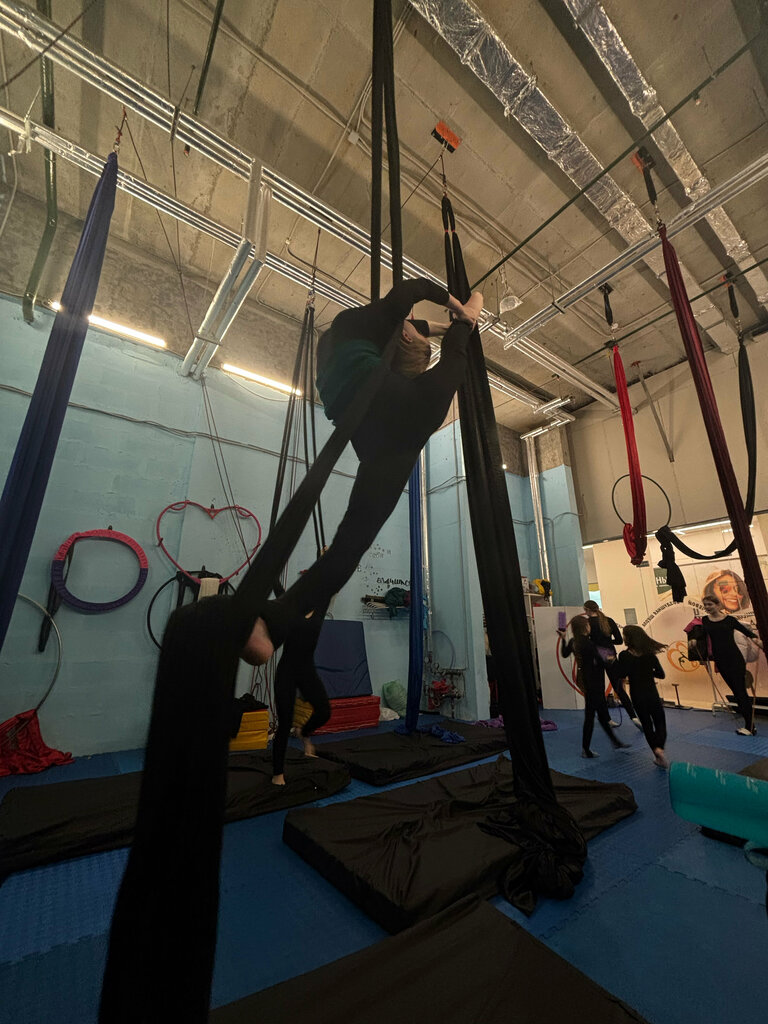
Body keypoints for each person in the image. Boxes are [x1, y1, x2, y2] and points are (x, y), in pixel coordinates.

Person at [242, 277, 483, 667]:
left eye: (408, 328)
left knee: (349, 547)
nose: (411, 323)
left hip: (359, 397)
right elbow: (450, 348)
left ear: (398, 340)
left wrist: (464, 308)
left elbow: (414, 291)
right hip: (390, 439)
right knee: (349, 548)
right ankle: (275, 621)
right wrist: (460, 326)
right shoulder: (427, 398)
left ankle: (273, 622)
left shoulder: (356, 326)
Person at [270, 602, 331, 786]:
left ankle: (303, 732)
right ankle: (277, 773)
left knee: (324, 712)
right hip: (286, 672)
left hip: (307, 671)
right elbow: (277, 586)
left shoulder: (321, 607)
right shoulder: (292, 606)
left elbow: (335, 579)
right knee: (284, 722)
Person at [558, 615, 630, 758]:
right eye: (588, 625)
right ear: (585, 627)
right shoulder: (588, 644)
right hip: (594, 683)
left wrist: (563, 638)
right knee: (591, 717)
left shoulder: (575, 642)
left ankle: (614, 742)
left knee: (600, 715)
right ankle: (587, 749)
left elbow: (565, 654)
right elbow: (601, 661)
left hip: (587, 680)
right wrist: (609, 660)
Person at [692, 594, 763, 735]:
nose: (707, 607)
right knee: (737, 693)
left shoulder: (730, 620)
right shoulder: (705, 621)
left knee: (740, 691)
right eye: (705, 605)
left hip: (734, 659)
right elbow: (699, 635)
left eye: (710, 604)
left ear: (718, 605)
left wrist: (757, 641)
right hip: (720, 660)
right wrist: (693, 640)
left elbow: (747, 632)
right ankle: (749, 725)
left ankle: (750, 726)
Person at [583, 599, 641, 729]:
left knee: (599, 689)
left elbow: (586, 643)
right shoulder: (608, 621)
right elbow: (619, 641)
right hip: (610, 654)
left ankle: (607, 719)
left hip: (596, 657)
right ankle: (634, 716)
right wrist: (608, 643)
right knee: (618, 688)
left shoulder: (587, 623)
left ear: (587, 610)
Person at [616, 625, 668, 769]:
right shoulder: (649, 654)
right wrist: (648, 673)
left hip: (637, 694)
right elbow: (661, 674)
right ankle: (660, 749)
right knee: (660, 722)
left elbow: (621, 674)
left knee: (647, 724)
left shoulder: (624, 655)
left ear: (629, 638)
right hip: (652, 692)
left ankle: (656, 752)